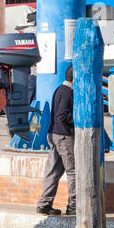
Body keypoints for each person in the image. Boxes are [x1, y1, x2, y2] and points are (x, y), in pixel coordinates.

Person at [36, 66, 75, 216]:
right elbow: (62, 116)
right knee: (73, 170)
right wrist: (78, 120)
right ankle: (73, 204)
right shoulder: (67, 93)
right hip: (64, 136)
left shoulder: (59, 89)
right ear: (75, 79)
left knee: (53, 170)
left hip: (53, 134)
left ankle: (44, 204)